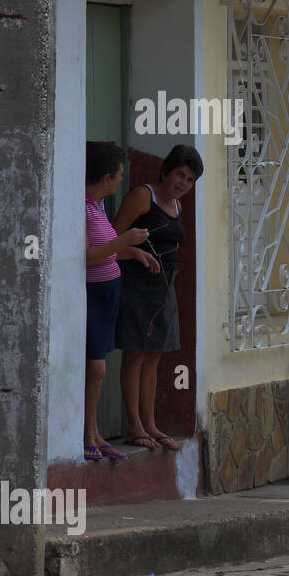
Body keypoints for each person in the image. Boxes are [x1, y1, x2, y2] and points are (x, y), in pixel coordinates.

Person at [113, 145, 203, 452]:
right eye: (180, 174)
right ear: (165, 170)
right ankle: (133, 426)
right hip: (137, 285)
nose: (183, 183)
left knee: (154, 356)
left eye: (190, 180)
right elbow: (110, 240)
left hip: (164, 289)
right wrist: (135, 253)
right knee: (136, 354)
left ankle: (150, 424)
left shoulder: (177, 206)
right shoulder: (143, 196)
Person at [85, 142, 159, 461]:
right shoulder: (83, 208)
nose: (120, 181)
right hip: (92, 297)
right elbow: (86, 257)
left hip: (108, 296)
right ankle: (88, 434)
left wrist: (132, 251)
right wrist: (124, 240)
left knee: (97, 367)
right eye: (118, 175)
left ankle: (95, 432)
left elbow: (108, 250)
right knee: (96, 367)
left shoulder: (99, 206)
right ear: (105, 178)